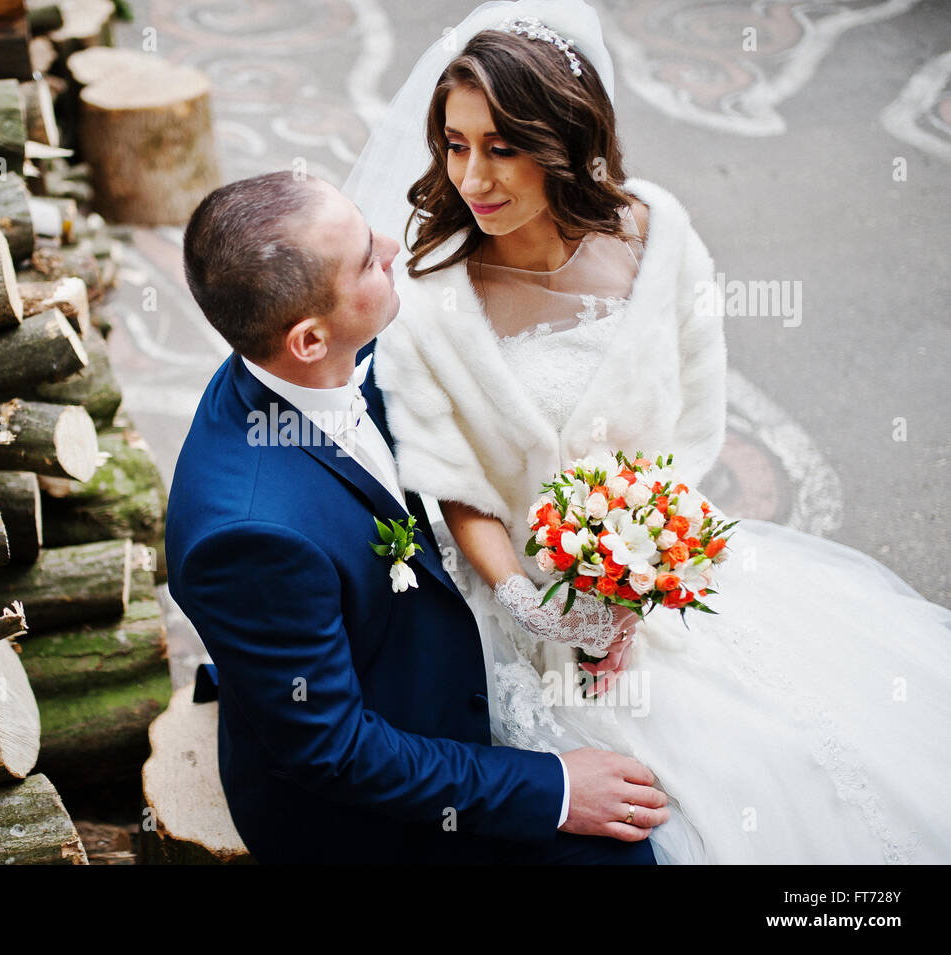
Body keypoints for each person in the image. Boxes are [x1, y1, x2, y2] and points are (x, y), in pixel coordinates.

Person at [358, 0, 951, 863]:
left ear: (563, 138)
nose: (473, 179)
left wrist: (639, 574)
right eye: (455, 145)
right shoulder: (430, 292)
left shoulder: (657, 233)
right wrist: (538, 602)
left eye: (503, 147)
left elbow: (690, 431)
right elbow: (456, 486)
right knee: (670, 794)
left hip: (656, 567)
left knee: (805, 749)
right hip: (518, 597)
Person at [165, 168, 666, 863]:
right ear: (308, 339)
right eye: (366, 260)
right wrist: (552, 789)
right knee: (635, 848)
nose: (390, 248)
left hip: (438, 637)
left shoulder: (321, 354)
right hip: (364, 801)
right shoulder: (250, 536)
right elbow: (334, 750)